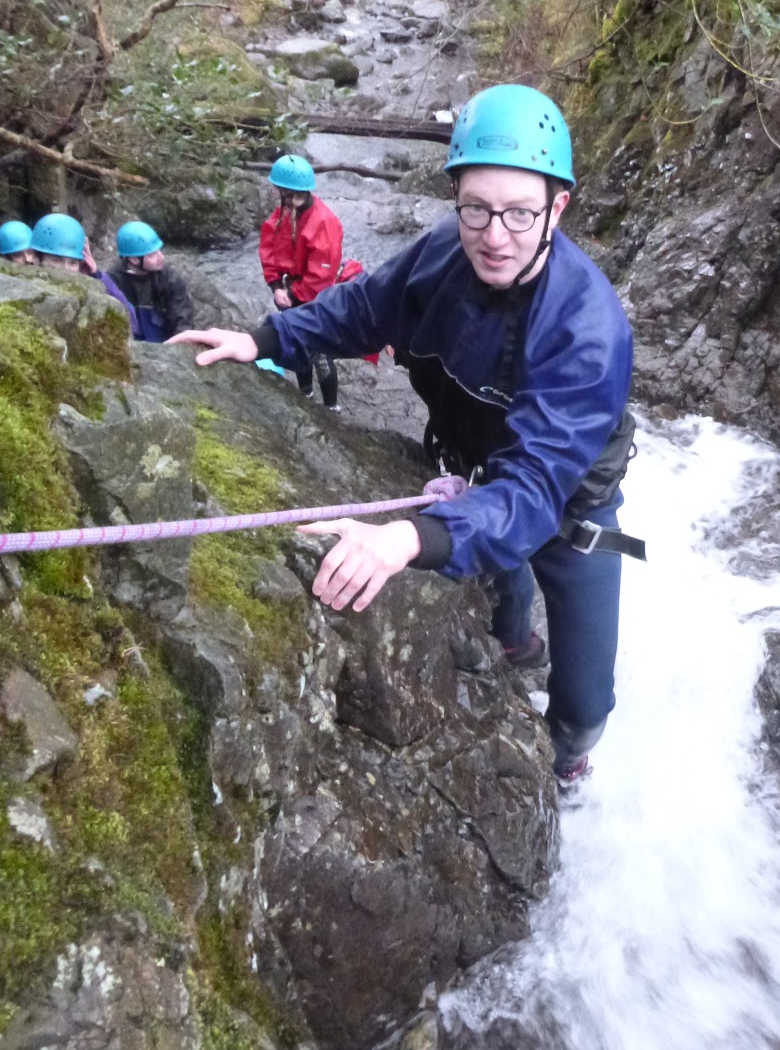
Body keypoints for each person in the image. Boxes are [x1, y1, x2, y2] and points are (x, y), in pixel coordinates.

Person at [172, 85, 642, 784]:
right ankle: (516, 647)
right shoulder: (442, 256)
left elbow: (535, 491)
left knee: (585, 695)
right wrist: (262, 338)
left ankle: (569, 756)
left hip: (565, 506)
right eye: (476, 208)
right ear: (455, 199)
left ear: (558, 208)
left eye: (519, 212)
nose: (493, 234)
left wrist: (404, 537)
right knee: (504, 590)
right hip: (476, 472)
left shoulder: (588, 332)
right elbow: (362, 310)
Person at [258, 154, 344, 411]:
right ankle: (305, 393)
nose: (291, 201)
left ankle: (331, 407)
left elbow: (322, 273)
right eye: (286, 196)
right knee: (295, 344)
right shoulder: (282, 214)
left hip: (315, 296)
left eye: (296, 196)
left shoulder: (323, 222)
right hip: (290, 289)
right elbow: (269, 250)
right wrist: (275, 286)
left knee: (320, 353)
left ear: (306, 192)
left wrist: (292, 294)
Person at [30, 213, 139, 336]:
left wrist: (96, 275)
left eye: (72, 263)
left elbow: (132, 323)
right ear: (36, 258)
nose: (65, 269)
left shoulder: (84, 293)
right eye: (56, 260)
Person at [110, 221, 195, 342]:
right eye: (152, 255)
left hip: (165, 346)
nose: (161, 257)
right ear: (134, 259)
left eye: (159, 250)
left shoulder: (169, 279)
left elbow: (183, 321)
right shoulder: (114, 281)